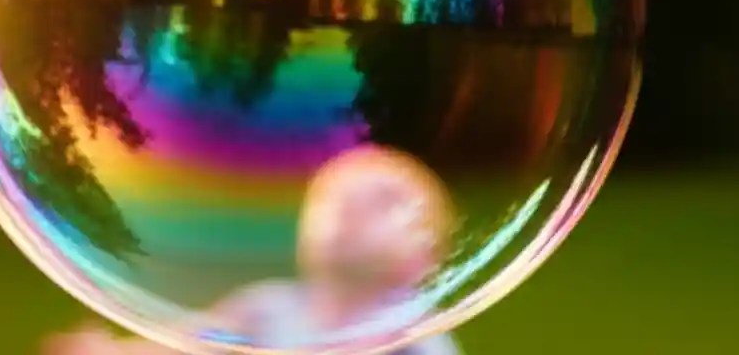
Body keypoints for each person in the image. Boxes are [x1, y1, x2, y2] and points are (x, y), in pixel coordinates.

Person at [47, 145, 462, 354]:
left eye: (381, 202)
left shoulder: (415, 339)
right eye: (330, 199)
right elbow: (182, 347)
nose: (347, 209)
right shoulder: (268, 307)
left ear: (423, 259)